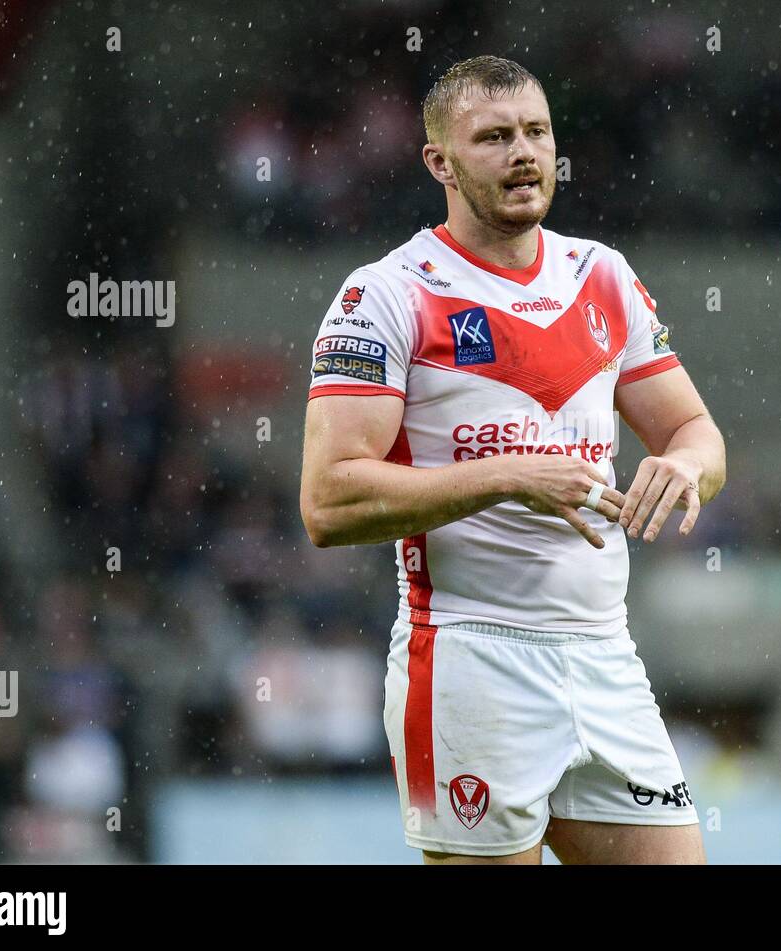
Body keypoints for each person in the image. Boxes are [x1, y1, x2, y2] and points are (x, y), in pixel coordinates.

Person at [299, 55, 726, 864]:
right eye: (494, 137)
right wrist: (507, 474)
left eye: (536, 132)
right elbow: (327, 503)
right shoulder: (386, 295)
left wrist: (686, 467)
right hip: (468, 659)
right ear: (440, 163)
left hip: (605, 655)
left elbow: (697, 434)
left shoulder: (601, 274)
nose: (524, 153)